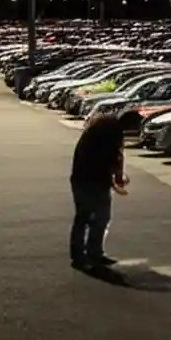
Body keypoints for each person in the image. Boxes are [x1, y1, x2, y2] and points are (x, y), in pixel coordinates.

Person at [69, 114, 129, 269]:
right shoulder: (109, 140)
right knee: (100, 218)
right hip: (95, 182)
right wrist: (118, 180)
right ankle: (93, 252)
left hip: (80, 180)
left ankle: (80, 254)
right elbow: (114, 162)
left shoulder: (91, 137)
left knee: (83, 218)